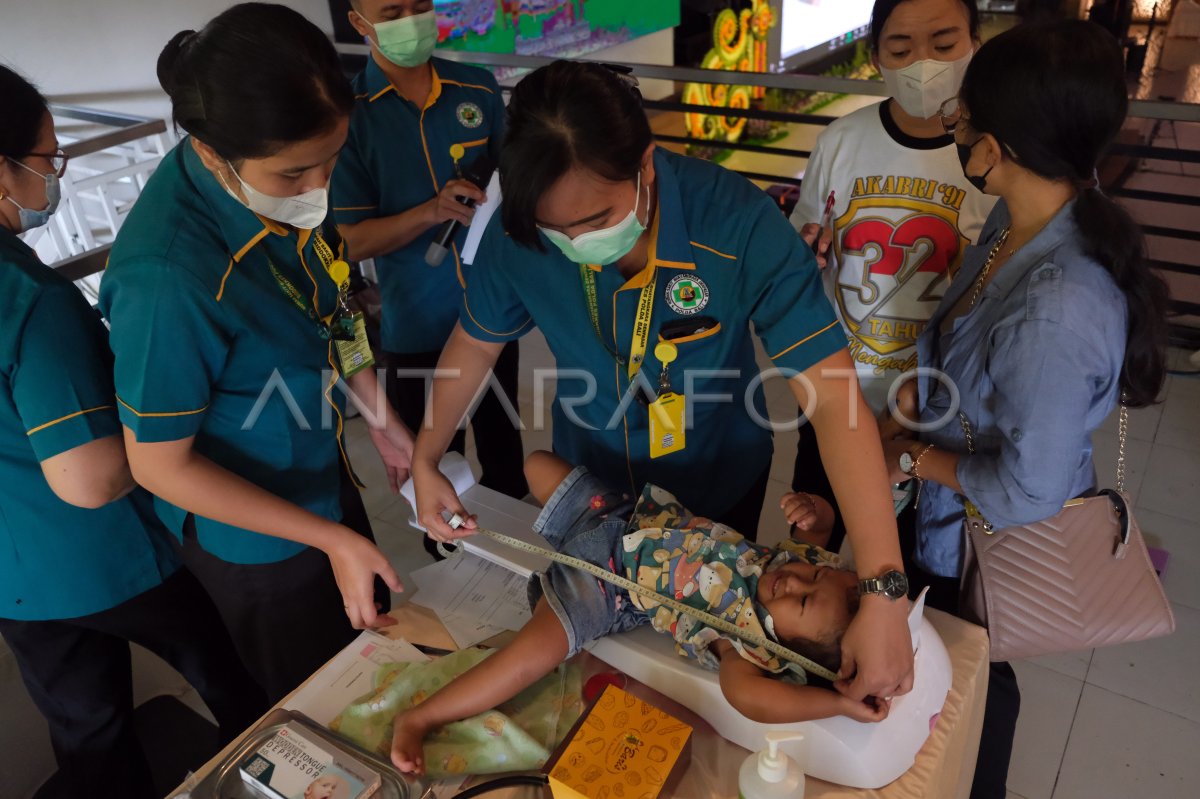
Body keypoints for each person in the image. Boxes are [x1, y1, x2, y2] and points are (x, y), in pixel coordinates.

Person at [413, 60, 915, 704]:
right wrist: (428, 454)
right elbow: (475, 342)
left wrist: (883, 589)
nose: (577, 241)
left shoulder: (737, 225)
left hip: (715, 481)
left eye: (596, 218)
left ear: (645, 165)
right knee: (600, 664)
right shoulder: (517, 236)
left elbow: (835, 400)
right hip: (591, 472)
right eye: (555, 230)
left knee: (694, 667)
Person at [879, 21, 1168, 799]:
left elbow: (1030, 490)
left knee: (972, 677)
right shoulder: (1026, 219)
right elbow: (976, 350)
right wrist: (920, 393)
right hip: (944, 503)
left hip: (981, 539)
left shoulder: (1059, 306)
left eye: (962, 116)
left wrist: (910, 456)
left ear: (995, 147)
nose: (953, 126)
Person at [99, 2, 416, 703]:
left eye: (331, 163)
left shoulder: (285, 182)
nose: (320, 191)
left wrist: (390, 430)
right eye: (295, 175)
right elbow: (158, 464)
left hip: (316, 473)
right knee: (324, 701)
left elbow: (333, 306)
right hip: (256, 541)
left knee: (379, 661)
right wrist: (327, 540)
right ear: (213, 152)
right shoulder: (169, 278)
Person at [0, 65, 266, 799]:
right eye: (48, 159)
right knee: (236, 679)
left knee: (89, 733)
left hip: (13, 577)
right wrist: (167, 434)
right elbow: (91, 479)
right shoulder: (29, 302)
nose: (53, 176)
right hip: (104, 557)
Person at [390, 450, 889, 775]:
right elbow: (817, 538)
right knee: (537, 464)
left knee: (527, 656)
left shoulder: (745, 645)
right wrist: (815, 514)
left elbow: (753, 700)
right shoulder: (800, 568)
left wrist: (839, 706)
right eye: (816, 576)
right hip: (624, 517)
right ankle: (479, 504)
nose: (796, 579)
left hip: (607, 589)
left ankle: (422, 717)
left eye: (800, 600)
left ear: (786, 655)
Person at [788, 0, 996, 554]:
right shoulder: (841, 140)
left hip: (939, 409)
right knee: (812, 549)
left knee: (915, 567)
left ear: (975, 40)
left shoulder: (996, 154)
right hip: (836, 390)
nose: (922, 64)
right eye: (901, 49)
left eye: (945, 44)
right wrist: (805, 254)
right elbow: (803, 240)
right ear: (876, 55)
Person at [334, 0, 528, 551]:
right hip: (417, 321)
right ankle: (451, 565)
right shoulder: (350, 116)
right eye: (393, 10)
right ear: (359, 22)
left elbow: (516, 177)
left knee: (503, 447)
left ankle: (517, 565)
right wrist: (430, 211)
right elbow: (348, 241)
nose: (411, 18)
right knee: (435, 462)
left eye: (420, 5)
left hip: (492, 309)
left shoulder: (477, 89)